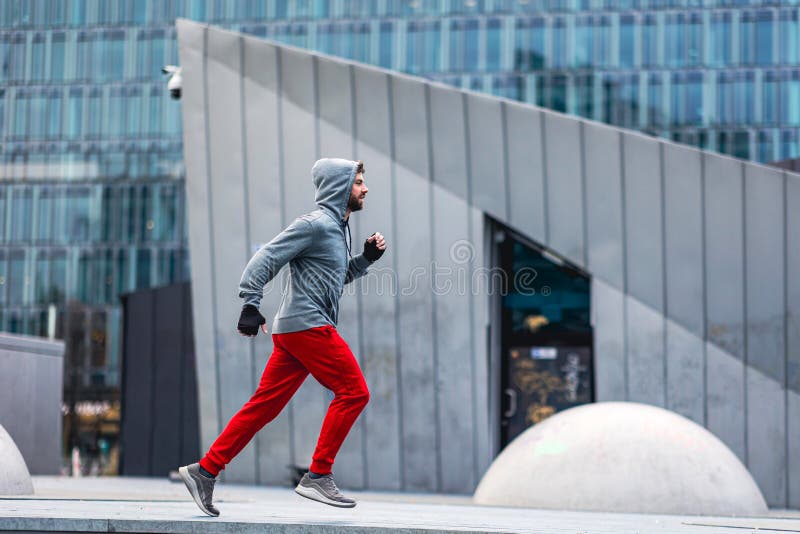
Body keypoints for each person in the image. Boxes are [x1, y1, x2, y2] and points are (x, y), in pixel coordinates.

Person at [179, 158, 386, 515]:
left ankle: (206, 470)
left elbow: (335, 280)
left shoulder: (336, 230)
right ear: (339, 187)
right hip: (308, 326)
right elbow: (268, 257)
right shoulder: (316, 224)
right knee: (354, 392)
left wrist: (364, 259)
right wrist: (250, 302)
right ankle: (318, 475)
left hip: (296, 330)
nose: (365, 188)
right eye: (358, 182)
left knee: (263, 407)